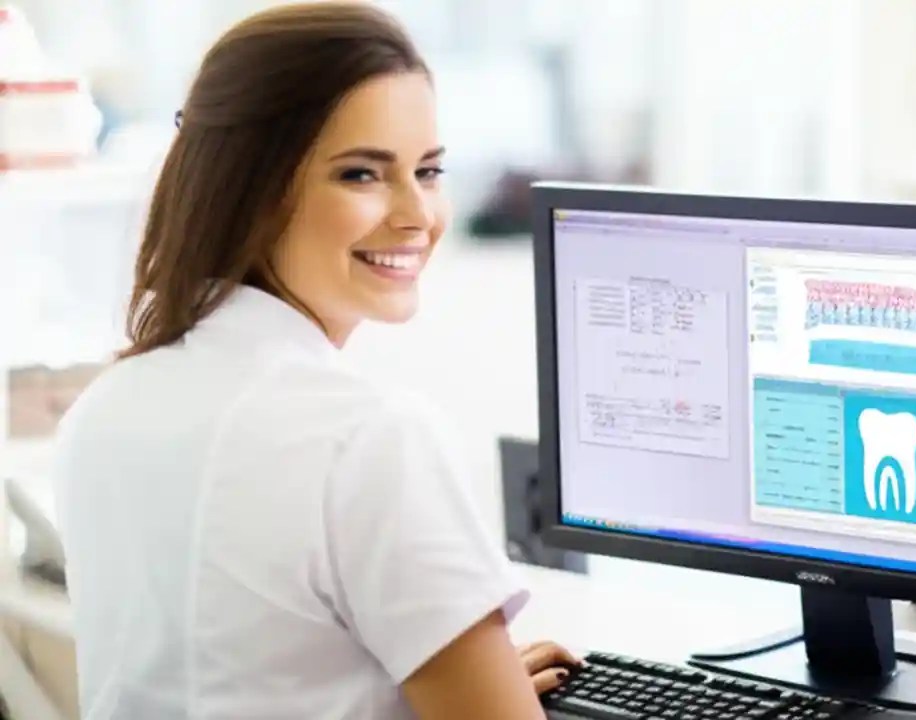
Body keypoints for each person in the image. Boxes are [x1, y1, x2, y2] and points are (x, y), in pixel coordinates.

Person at [51, 3, 577, 718]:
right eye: (361, 174)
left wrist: (457, 678)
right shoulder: (366, 439)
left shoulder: (106, 405)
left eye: (428, 170)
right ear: (254, 188)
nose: (416, 212)